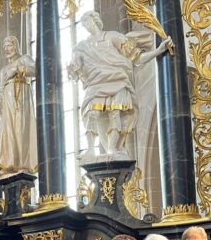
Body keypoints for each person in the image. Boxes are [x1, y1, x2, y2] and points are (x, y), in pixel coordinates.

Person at [67, 10, 172, 158]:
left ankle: (112, 148)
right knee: (91, 113)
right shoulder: (81, 47)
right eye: (83, 23)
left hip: (117, 81)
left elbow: (137, 58)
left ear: (95, 21)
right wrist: (71, 71)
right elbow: (75, 72)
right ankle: (90, 149)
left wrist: (158, 51)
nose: (85, 25)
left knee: (115, 113)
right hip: (96, 85)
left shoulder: (113, 37)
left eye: (87, 21)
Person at [0, 36, 37, 178]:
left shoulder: (24, 59)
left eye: (9, 46)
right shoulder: (3, 71)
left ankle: (22, 163)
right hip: (7, 106)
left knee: (21, 130)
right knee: (7, 133)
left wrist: (17, 69)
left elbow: (36, 70)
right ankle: (10, 165)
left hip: (21, 103)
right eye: (5, 47)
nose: (7, 49)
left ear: (16, 46)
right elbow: (0, 92)